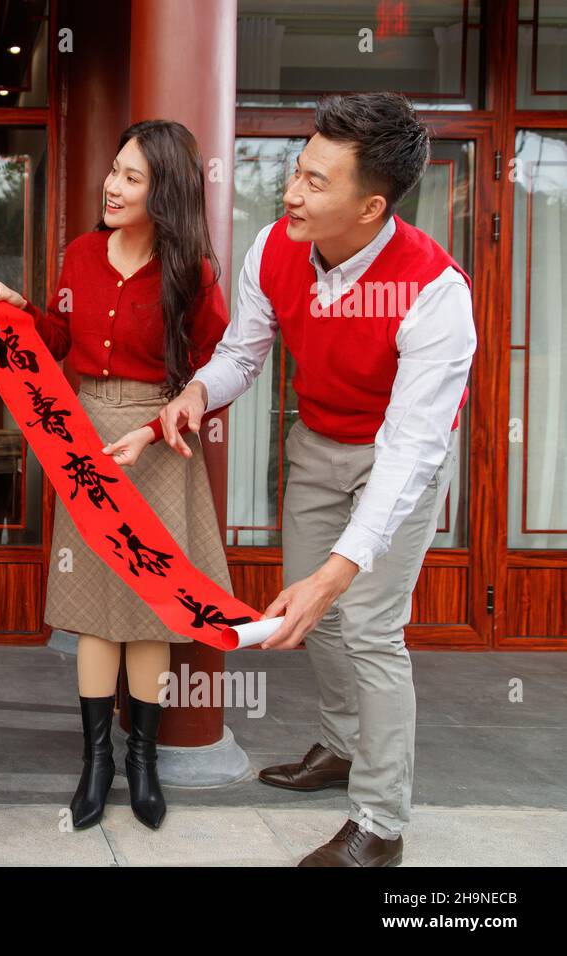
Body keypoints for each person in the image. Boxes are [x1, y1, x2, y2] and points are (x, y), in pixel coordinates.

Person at [154, 93, 475, 866]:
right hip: (316, 444)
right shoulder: (273, 247)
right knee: (314, 614)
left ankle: (380, 822)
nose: (292, 193)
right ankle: (341, 745)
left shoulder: (437, 291)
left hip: (396, 464)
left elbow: (408, 451)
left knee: (366, 625)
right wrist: (198, 391)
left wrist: (342, 570)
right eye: (297, 172)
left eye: (316, 183)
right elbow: (242, 354)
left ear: (371, 206)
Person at [0, 120, 230, 832]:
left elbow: (217, 367)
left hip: (157, 440)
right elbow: (61, 340)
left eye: (131, 177)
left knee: (150, 602)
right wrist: (22, 310)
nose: (112, 186)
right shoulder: (82, 253)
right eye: (113, 171)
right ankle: (97, 761)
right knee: (94, 604)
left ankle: (143, 758)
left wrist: (173, 416)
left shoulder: (194, 272)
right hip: (86, 430)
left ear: (167, 193)